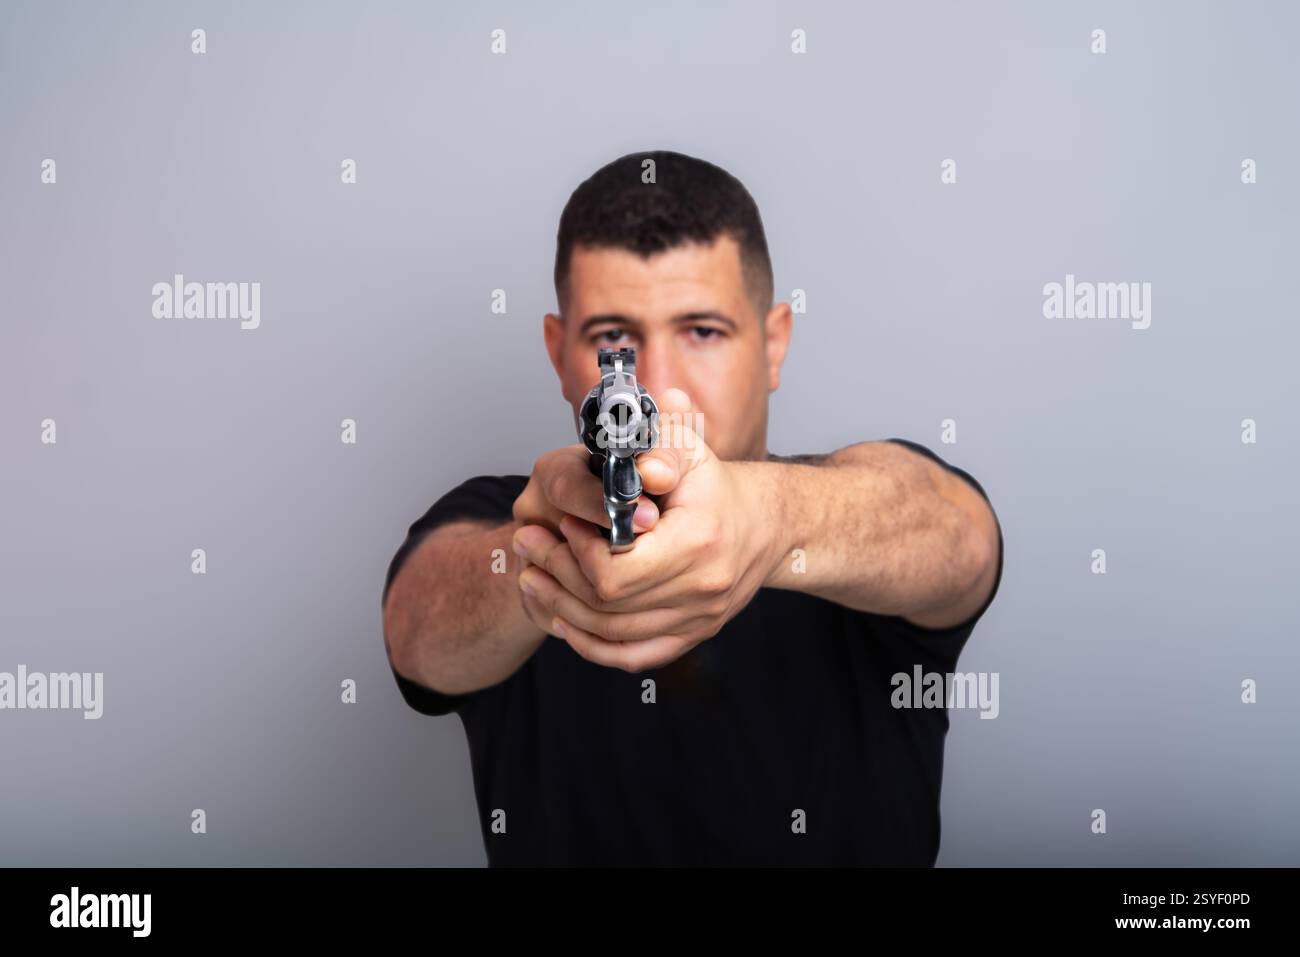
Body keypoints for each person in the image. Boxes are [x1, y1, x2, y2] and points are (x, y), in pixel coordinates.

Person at [381, 149, 1004, 866]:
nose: (658, 384)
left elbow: (963, 538)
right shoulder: (510, 514)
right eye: (614, 340)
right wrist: (542, 558)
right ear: (559, 356)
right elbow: (412, 633)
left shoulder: (840, 520)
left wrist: (769, 523)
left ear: (774, 344)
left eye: (702, 331)